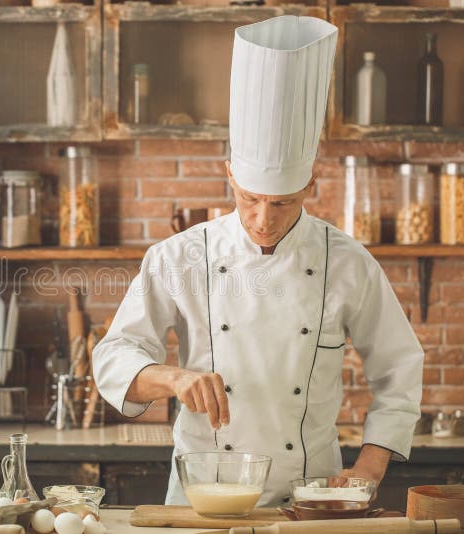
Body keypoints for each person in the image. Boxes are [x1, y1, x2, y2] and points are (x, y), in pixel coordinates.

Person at [91, 15, 423, 506]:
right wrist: (173, 377)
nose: (263, 218)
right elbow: (113, 358)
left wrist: (369, 470)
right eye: (249, 198)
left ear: (312, 185)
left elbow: (399, 368)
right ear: (230, 175)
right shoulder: (178, 256)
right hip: (201, 497)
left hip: (309, 500)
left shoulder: (348, 263)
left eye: (283, 201)